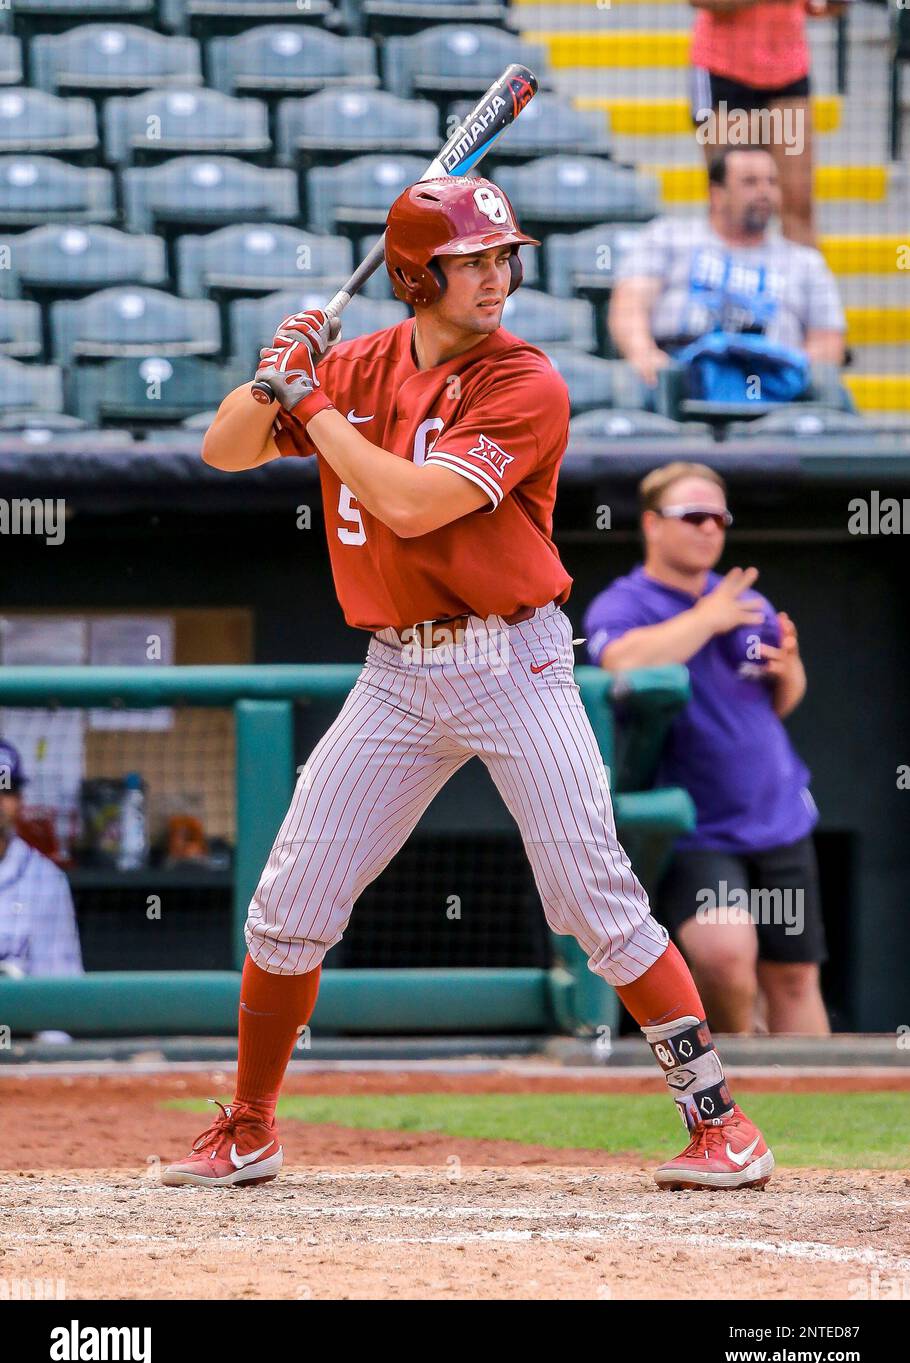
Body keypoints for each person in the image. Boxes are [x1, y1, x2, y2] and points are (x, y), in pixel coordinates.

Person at [163, 176, 773, 1192]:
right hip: (397, 669)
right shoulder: (353, 363)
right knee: (288, 903)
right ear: (414, 275)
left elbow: (408, 506)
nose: (497, 278)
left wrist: (309, 401)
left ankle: (721, 1122)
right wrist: (273, 373)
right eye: (472, 261)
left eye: (503, 258)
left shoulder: (523, 380)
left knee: (592, 898)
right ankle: (252, 1126)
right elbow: (221, 449)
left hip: (515, 659)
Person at [583, 461, 829, 1036]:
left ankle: (812, 1110)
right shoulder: (626, 603)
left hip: (780, 817)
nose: (710, 529)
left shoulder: (746, 600)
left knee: (793, 978)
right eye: (693, 516)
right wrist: (706, 618)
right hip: (696, 827)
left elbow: (774, 701)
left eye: (719, 517)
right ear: (651, 525)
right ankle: (739, 1071)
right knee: (723, 957)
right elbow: (620, 661)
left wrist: (791, 672)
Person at [608, 145, 845, 390]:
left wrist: (794, 378)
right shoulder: (667, 236)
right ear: (717, 193)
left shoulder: (806, 262)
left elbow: (828, 343)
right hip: (680, 379)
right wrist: (644, 354)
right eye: (750, 182)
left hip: (773, 383)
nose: (764, 192)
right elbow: (629, 306)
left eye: (772, 182)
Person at [690, 0, 847, 247]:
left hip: (788, 72)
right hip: (725, 70)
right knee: (732, 206)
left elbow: (821, 6)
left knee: (799, 204)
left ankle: (803, 285)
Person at [0, 740, 83, 983]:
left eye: (7, 789)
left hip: (18, 1018)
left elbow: (60, 984)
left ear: (20, 801)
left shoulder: (46, 879)